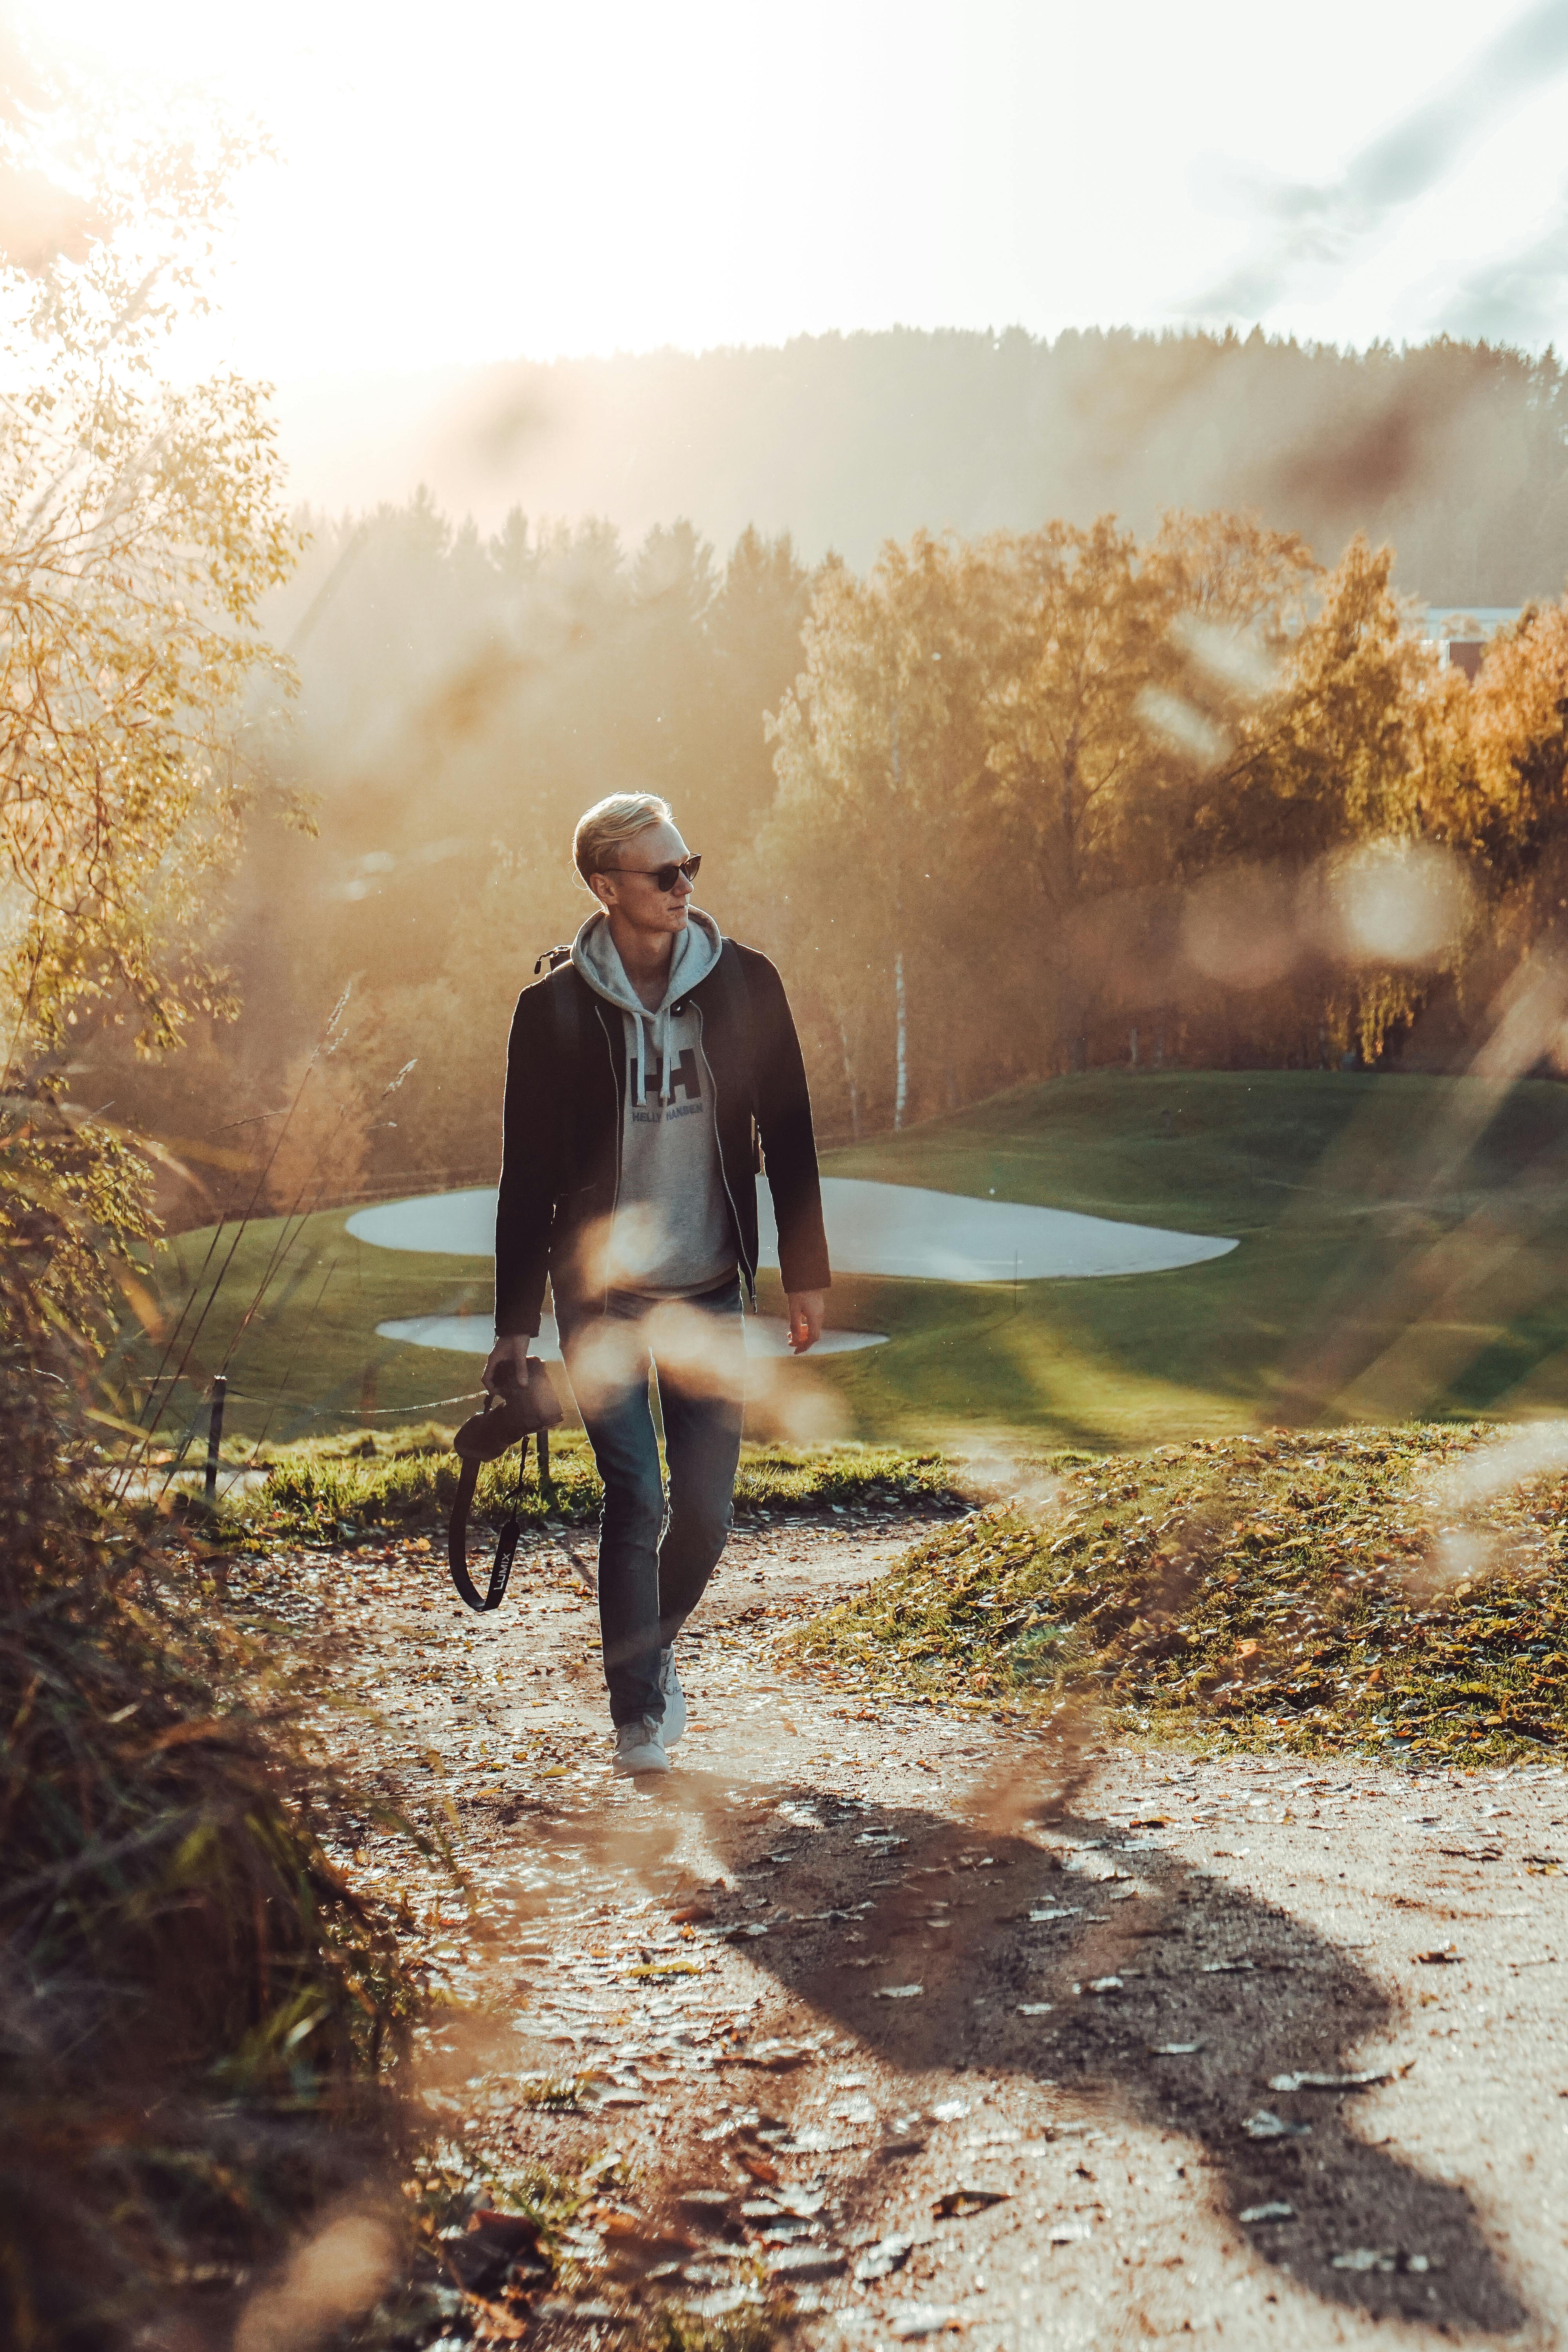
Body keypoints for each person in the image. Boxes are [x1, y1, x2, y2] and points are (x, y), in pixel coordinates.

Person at [483, 792, 831, 1777]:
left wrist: (805, 1272)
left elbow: (788, 1131)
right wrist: (514, 1324)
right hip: (599, 1300)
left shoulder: (746, 983)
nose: (684, 887)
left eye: (689, 868)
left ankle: (648, 1648)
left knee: (707, 1515)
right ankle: (635, 1715)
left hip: (708, 1284)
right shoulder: (551, 1012)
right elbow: (527, 1177)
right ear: (606, 887)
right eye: (663, 873)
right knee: (635, 1495)